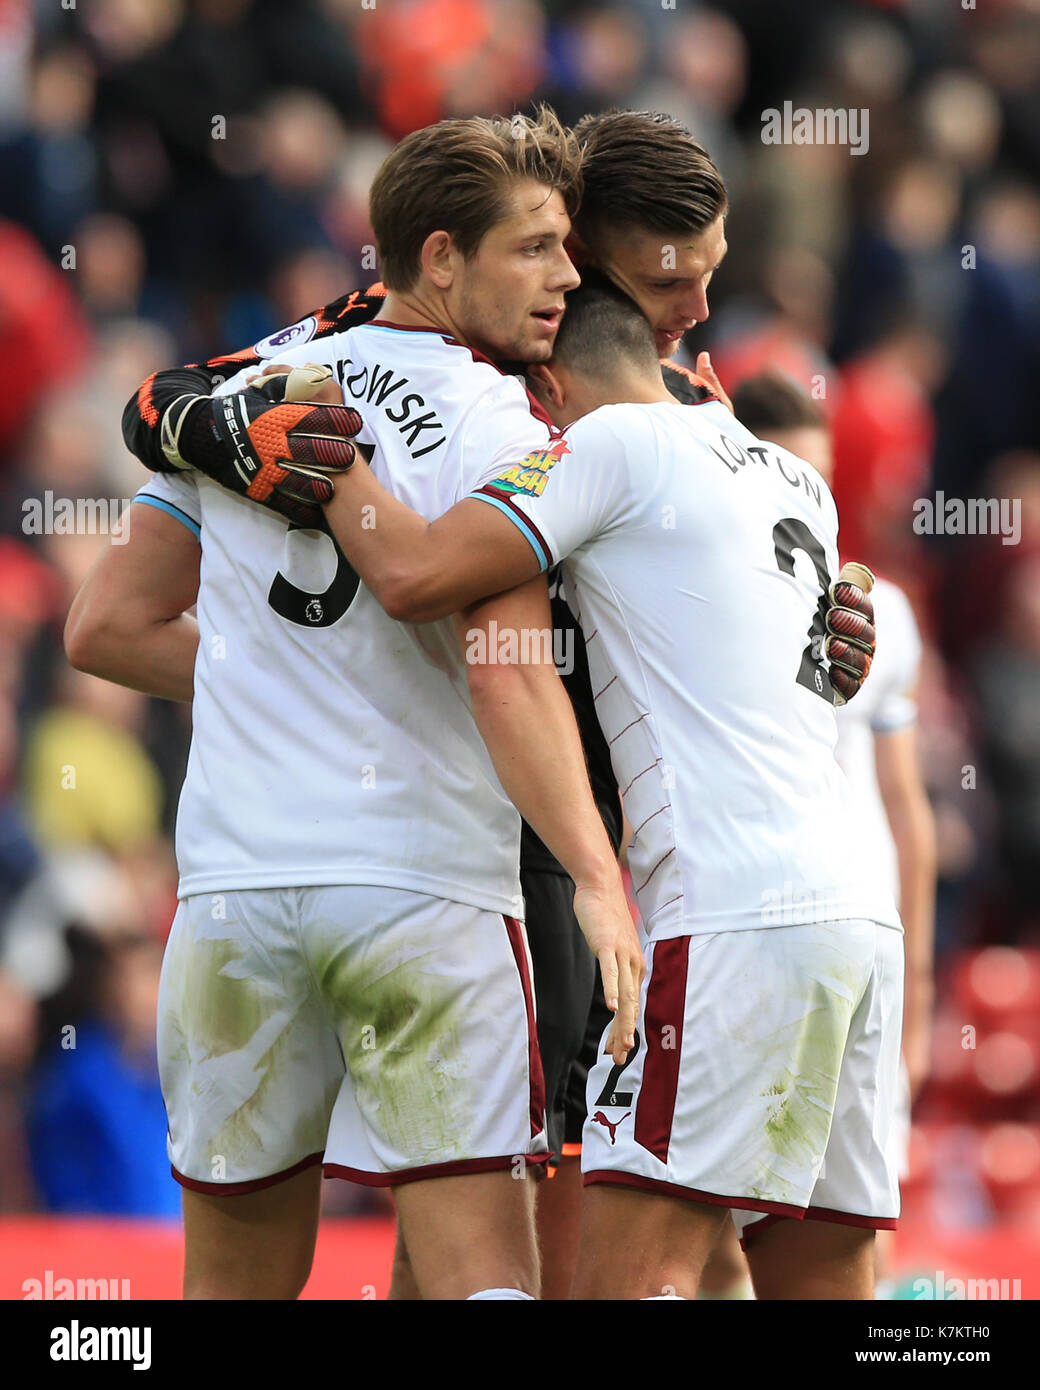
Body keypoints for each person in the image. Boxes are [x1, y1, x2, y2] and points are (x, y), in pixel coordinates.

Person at [66, 109, 644, 1302]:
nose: (567, 274)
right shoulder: (506, 425)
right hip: (420, 897)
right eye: (534, 246)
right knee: (483, 1278)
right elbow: (505, 669)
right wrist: (595, 876)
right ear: (438, 257)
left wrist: (265, 676)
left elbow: (105, 628)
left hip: (234, 897)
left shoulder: (244, 388)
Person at [312, 274, 902, 1299]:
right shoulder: (786, 470)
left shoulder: (608, 446)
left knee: (621, 1282)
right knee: (825, 1274)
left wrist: (333, 462)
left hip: (729, 915)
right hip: (854, 915)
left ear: (541, 385)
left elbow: (413, 576)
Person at [728, 372, 937, 1297]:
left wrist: (923, 983)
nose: (807, 494)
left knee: (854, 1204)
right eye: (787, 469)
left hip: (859, 928)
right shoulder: (702, 607)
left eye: (819, 473)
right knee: (716, 1214)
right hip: (738, 919)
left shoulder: (883, 613)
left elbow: (907, 807)